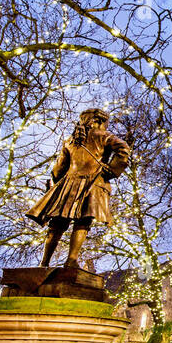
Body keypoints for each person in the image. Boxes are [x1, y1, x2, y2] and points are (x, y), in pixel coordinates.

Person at [26, 108, 131, 268]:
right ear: (100, 121)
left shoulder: (69, 140)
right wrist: (111, 170)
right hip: (92, 183)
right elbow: (123, 149)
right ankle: (72, 260)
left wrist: (58, 183)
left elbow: (58, 169)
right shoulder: (103, 136)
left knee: (57, 223)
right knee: (83, 222)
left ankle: (44, 262)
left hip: (68, 185)